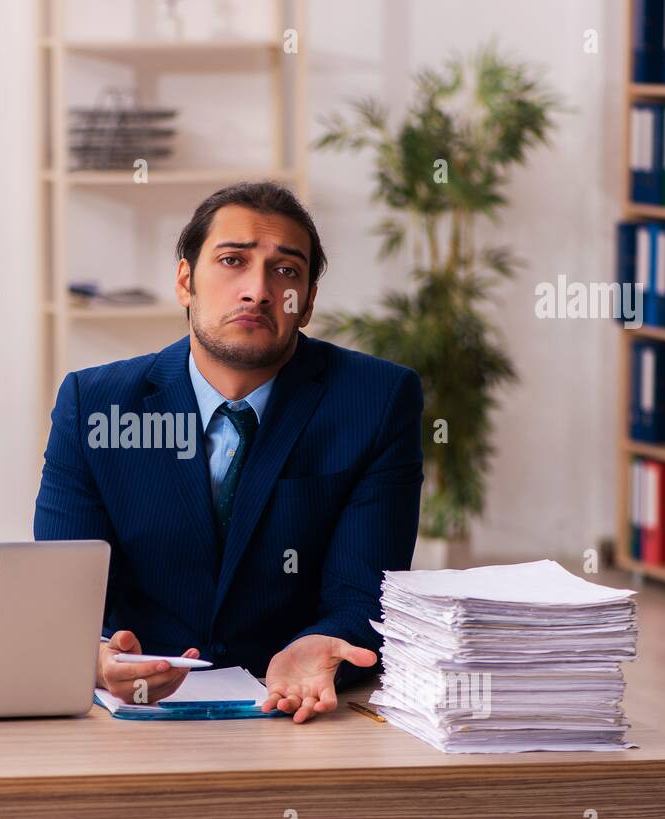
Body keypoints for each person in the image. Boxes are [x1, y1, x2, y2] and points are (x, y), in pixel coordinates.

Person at [35, 181, 423, 723]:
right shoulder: (95, 403)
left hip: (300, 708)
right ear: (185, 281)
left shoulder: (376, 400)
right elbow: (62, 590)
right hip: (130, 715)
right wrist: (93, 655)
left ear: (307, 302)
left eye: (286, 271)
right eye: (232, 261)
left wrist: (324, 641)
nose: (258, 290)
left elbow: (363, 591)